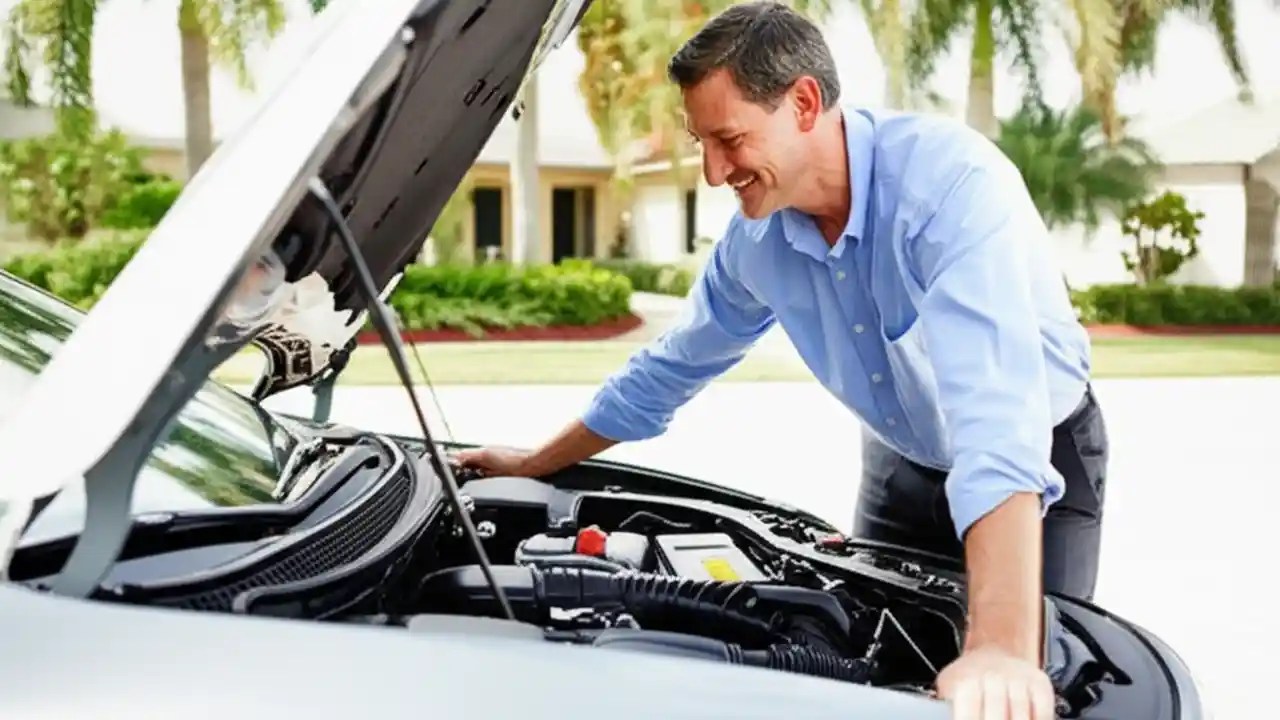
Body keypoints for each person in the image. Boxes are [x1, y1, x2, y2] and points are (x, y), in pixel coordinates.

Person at [454, 3, 1107, 718]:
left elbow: (996, 420)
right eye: (702, 142)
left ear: (802, 102)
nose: (711, 172)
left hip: (1036, 464)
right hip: (899, 469)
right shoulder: (753, 246)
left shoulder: (948, 189)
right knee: (875, 666)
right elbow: (667, 371)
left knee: (1037, 686)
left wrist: (1002, 648)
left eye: (728, 139)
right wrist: (534, 463)